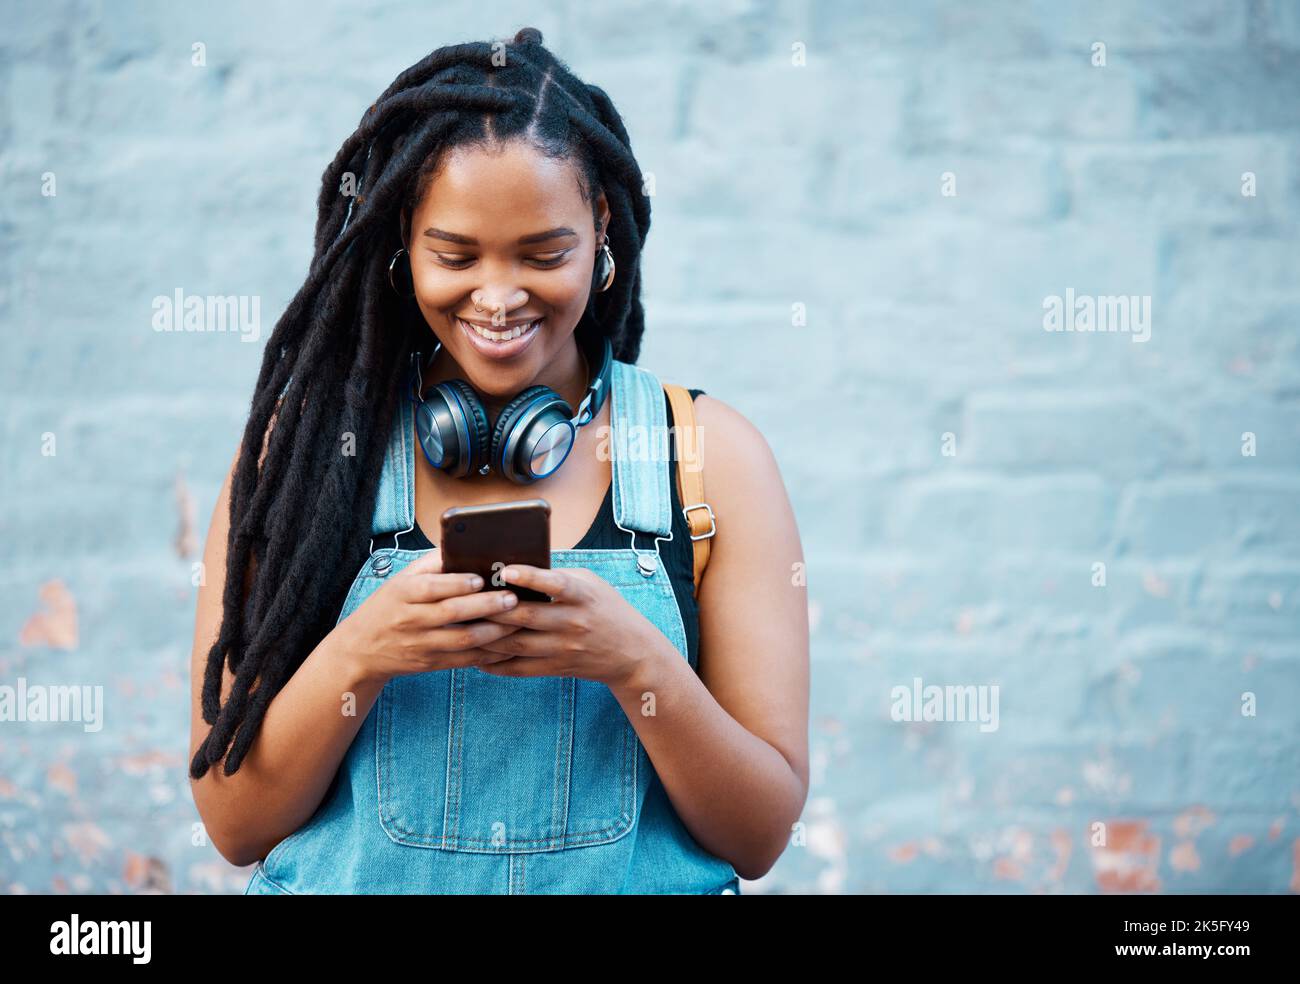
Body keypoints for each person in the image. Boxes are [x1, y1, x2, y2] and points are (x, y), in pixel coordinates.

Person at [188, 27, 809, 894]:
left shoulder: (711, 457)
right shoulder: (302, 459)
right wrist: (362, 653)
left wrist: (636, 664)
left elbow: (758, 837)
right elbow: (234, 824)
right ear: (404, 238)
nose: (498, 297)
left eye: (544, 254)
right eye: (455, 255)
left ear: (601, 230)